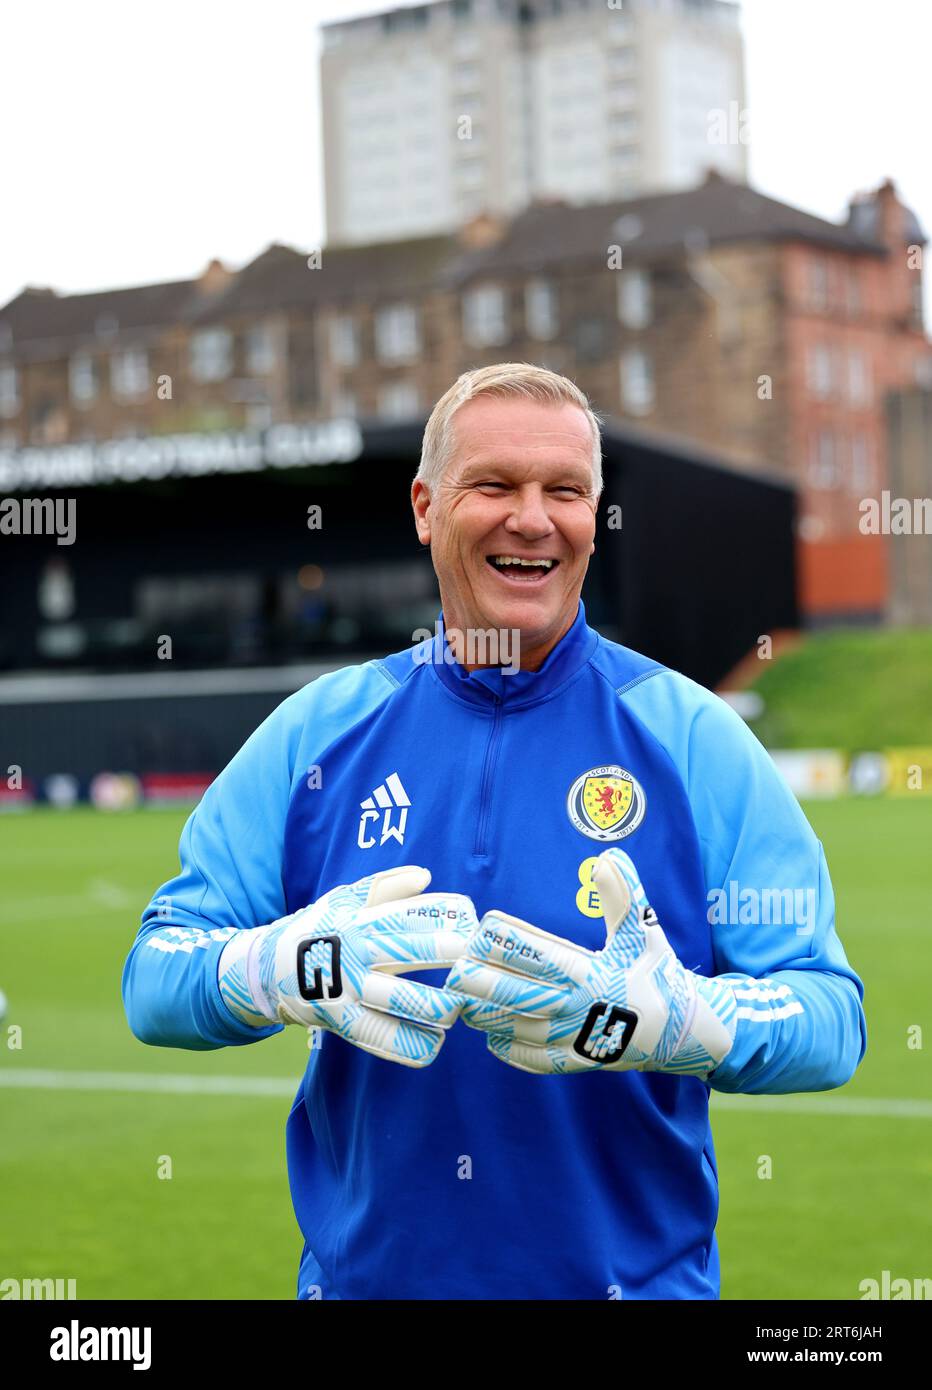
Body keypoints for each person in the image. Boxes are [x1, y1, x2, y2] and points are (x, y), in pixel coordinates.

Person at [123, 362, 866, 1300]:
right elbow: (155, 979)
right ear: (427, 507)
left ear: (595, 516)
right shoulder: (318, 734)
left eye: (566, 491)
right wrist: (274, 968)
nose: (534, 518)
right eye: (495, 486)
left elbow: (831, 1019)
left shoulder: (693, 739)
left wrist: (686, 1020)